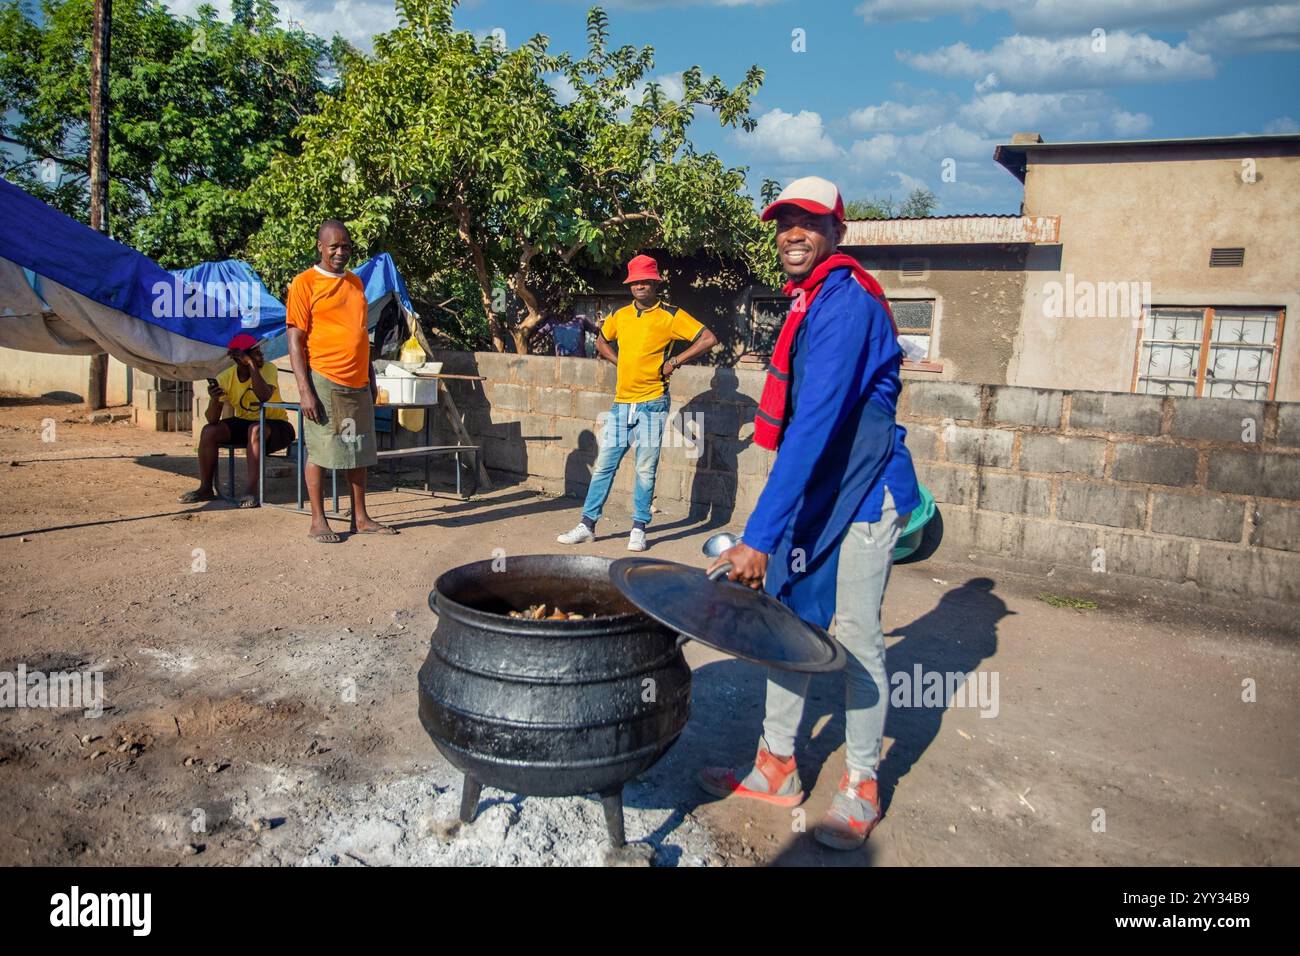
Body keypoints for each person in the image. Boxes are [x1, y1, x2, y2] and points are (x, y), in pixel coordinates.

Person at [696, 176, 921, 851]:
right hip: (821, 489)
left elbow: (817, 422)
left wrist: (760, 535)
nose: (794, 232)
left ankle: (861, 782)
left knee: (854, 639)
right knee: (790, 626)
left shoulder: (846, 305)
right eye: (784, 220)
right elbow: (804, 429)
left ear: (837, 233)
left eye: (810, 222)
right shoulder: (807, 300)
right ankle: (776, 766)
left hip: (861, 493)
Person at [556, 254, 718, 552]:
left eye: (646, 281)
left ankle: (639, 527)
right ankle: (587, 525)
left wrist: (676, 360)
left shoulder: (671, 315)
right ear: (629, 285)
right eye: (635, 282)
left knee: (645, 468)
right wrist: (619, 361)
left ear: (656, 283)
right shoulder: (620, 315)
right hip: (621, 404)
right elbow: (601, 341)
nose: (640, 286)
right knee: (605, 465)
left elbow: (708, 338)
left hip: (653, 403)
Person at [285, 219, 396, 543]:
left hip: (357, 381)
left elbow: (362, 334)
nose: (340, 252)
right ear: (320, 246)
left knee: (356, 447)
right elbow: (294, 340)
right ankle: (318, 520)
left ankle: (360, 518)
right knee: (320, 449)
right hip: (323, 379)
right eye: (334, 246)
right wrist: (304, 390)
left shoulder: (355, 283)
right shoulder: (304, 283)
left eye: (346, 246)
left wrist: (371, 376)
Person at [181, 334, 295, 507]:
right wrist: (214, 399)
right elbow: (212, 419)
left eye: (259, 352)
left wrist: (252, 365)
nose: (261, 356)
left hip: (276, 425)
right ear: (239, 359)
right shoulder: (226, 377)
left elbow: (263, 395)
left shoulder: (268, 368)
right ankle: (205, 488)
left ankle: (252, 491)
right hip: (247, 424)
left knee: (256, 429)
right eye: (255, 353)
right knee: (209, 431)